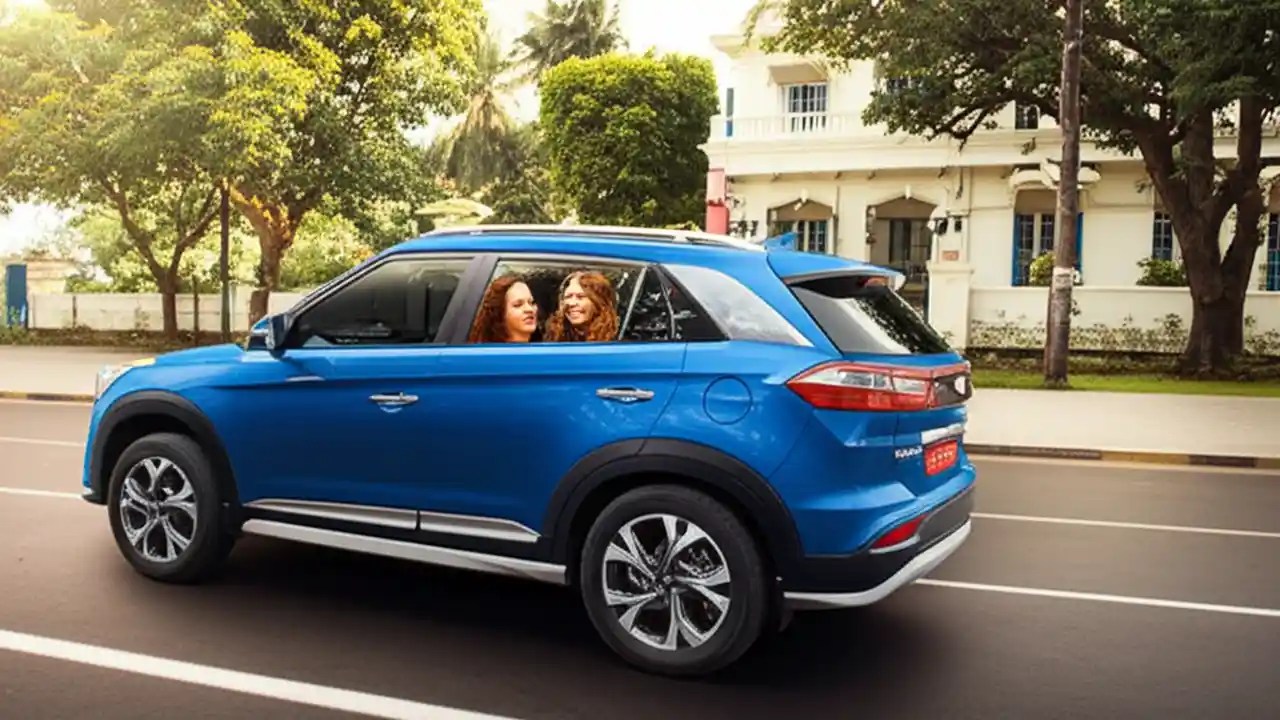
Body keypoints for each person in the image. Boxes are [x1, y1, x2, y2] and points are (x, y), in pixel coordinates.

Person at [543, 270, 619, 342]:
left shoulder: (617, 341)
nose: (572, 303)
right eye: (568, 297)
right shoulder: (555, 337)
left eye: (580, 297)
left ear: (598, 302)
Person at [467, 275, 539, 343]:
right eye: (518, 305)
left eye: (531, 303)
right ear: (500, 313)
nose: (529, 309)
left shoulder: (542, 351)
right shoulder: (487, 353)